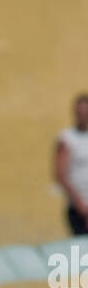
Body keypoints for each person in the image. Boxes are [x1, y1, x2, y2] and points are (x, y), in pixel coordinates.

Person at [54, 93, 88, 235]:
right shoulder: (68, 138)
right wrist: (80, 205)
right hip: (79, 208)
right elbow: (60, 174)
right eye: (80, 112)